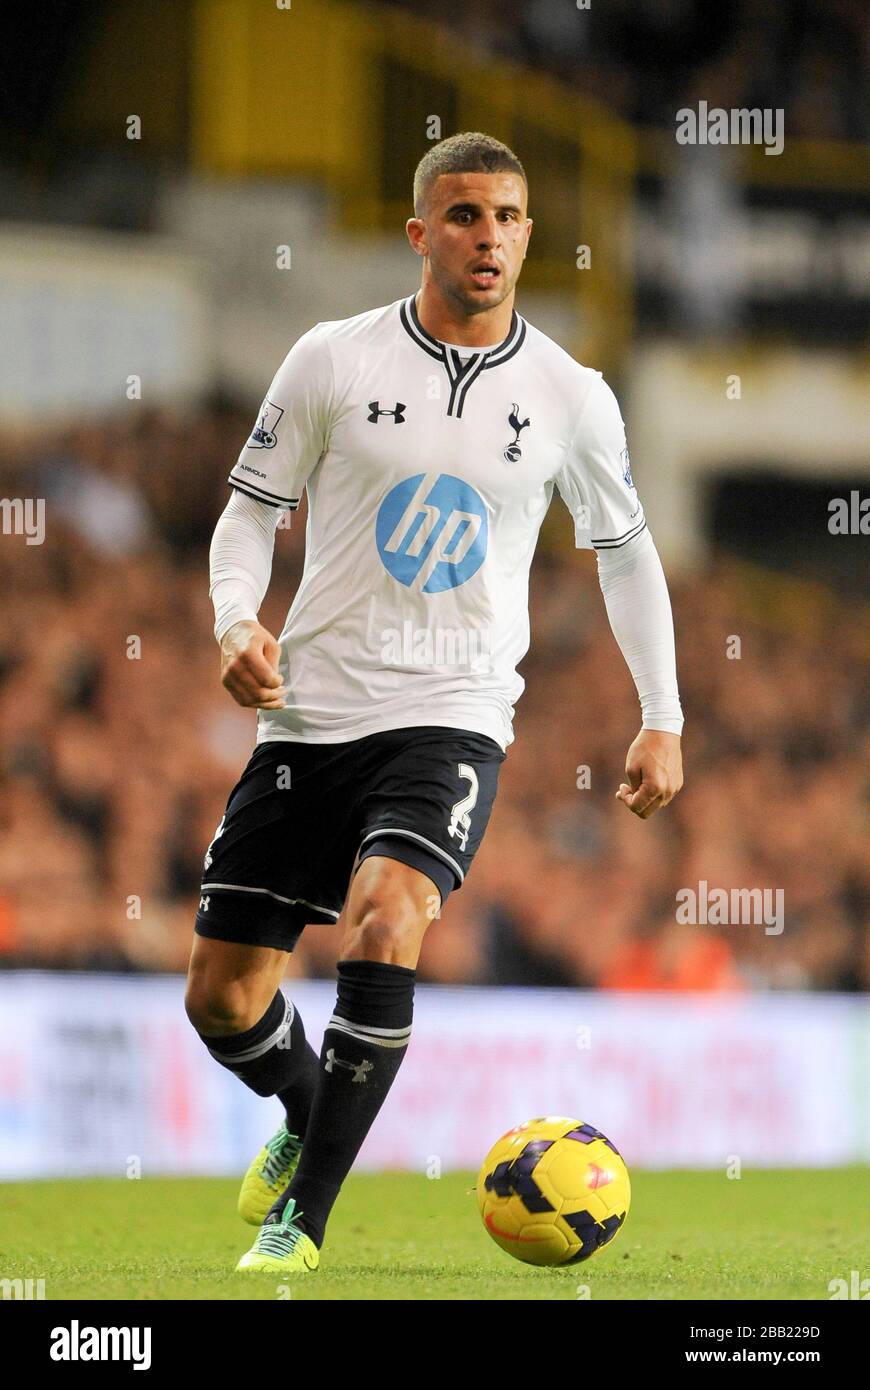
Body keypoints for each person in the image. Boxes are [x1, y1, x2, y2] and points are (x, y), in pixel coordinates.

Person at [184, 131, 684, 1275]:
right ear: (420, 233)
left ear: (528, 236)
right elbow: (250, 509)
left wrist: (662, 712)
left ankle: (302, 1221)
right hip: (312, 711)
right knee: (223, 998)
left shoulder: (570, 394)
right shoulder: (331, 358)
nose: (488, 237)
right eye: (464, 216)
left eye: (507, 217)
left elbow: (625, 552)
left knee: (387, 916)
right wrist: (234, 621)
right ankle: (306, 1107)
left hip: (453, 712)